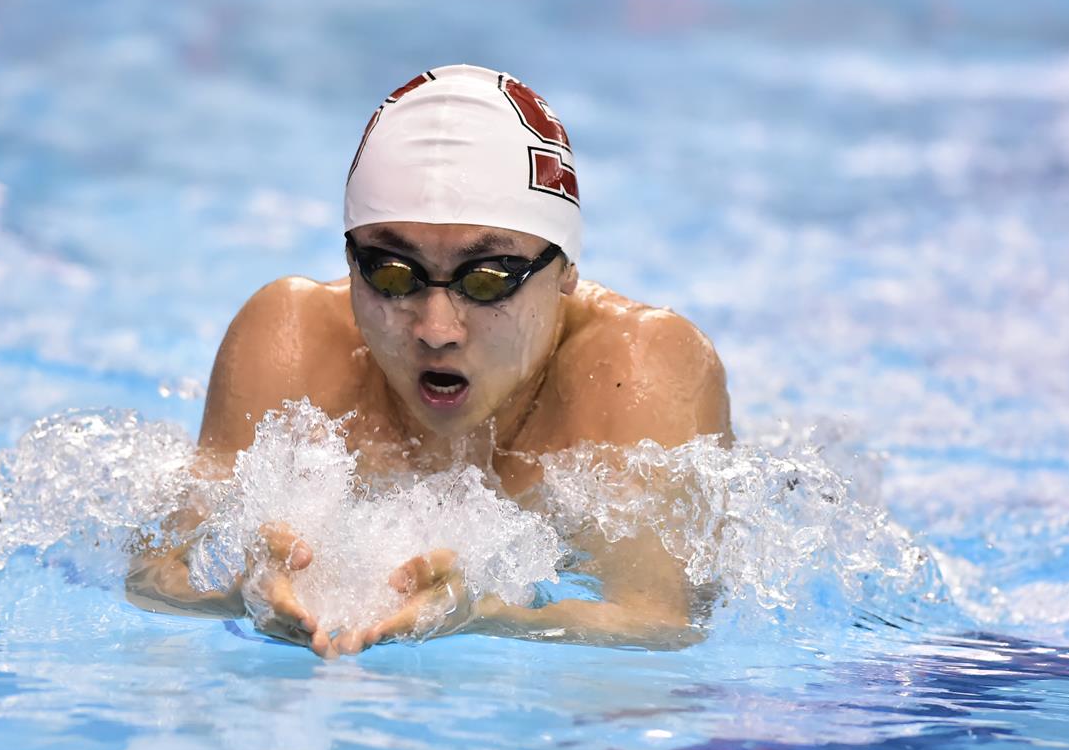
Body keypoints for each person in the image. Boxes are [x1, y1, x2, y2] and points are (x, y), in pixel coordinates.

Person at [128, 64, 732, 657]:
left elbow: (660, 621)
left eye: (489, 280)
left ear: (566, 270)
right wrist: (238, 593)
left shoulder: (639, 370)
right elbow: (150, 572)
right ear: (350, 261)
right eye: (393, 275)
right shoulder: (290, 341)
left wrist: (487, 614)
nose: (436, 329)